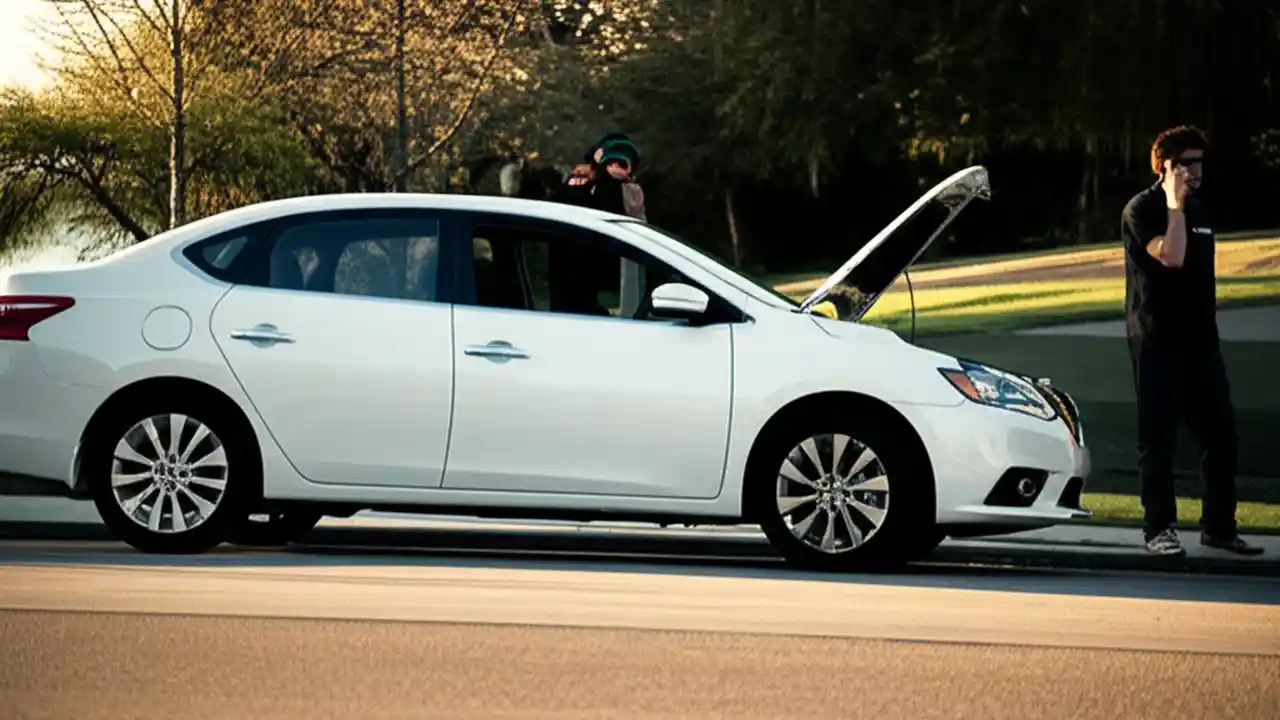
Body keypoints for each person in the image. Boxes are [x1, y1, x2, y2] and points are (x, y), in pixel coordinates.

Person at [1120, 125, 1262, 556]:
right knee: (1158, 439)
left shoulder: (1200, 211)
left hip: (1202, 342)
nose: (1197, 172)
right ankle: (1157, 529)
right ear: (1165, 165)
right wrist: (1175, 205)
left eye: (1200, 163)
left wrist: (1185, 205)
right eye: (1187, 164)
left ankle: (1218, 528)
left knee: (1222, 437)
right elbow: (1173, 257)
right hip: (1158, 342)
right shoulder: (1142, 210)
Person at [560, 132, 647, 220]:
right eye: (611, 162)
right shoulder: (580, 183)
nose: (615, 166)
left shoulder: (631, 191)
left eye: (621, 164)